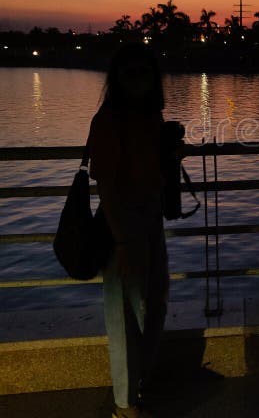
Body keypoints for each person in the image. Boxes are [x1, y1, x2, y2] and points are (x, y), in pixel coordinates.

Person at [89, 43, 169, 418]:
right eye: (129, 72)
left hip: (151, 219)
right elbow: (105, 184)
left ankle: (141, 383)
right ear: (116, 77)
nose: (138, 78)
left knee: (154, 303)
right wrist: (121, 240)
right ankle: (124, 405)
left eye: (145, 71)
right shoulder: (109, 120)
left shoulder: (150, 115)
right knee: (123, 311)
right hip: (121, 221)